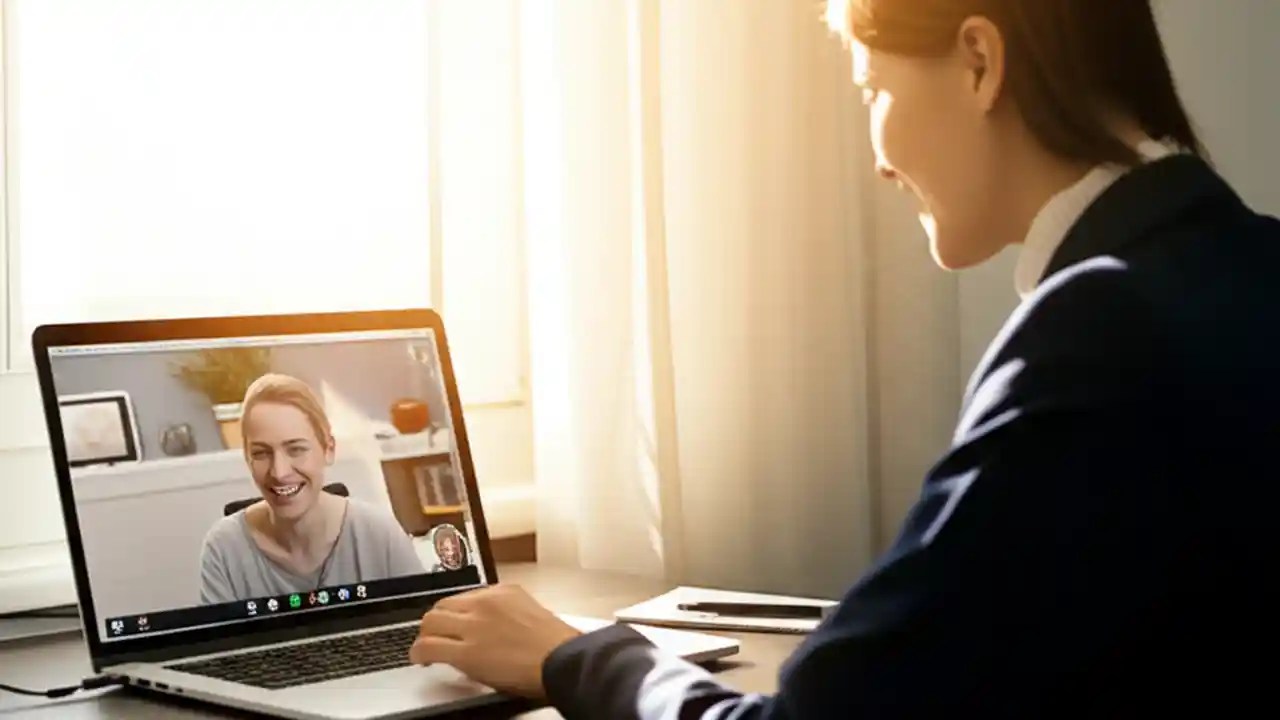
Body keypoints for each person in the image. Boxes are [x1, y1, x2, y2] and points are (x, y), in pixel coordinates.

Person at [408, 0, 1280, 716]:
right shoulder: (1249, 271)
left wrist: (578, 656)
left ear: (979, 62)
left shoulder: (1095, 332)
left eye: (872, 91)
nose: (877, 161)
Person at [199, 373, 425, 604]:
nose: (279, 472)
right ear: (247, 459)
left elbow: (424, 626)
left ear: (328, 449)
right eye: (261, 453)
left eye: (296, 449)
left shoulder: (378, 533)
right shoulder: (223, 548)